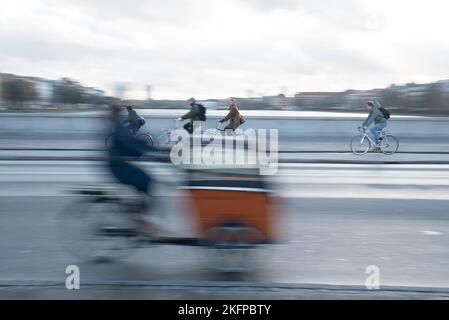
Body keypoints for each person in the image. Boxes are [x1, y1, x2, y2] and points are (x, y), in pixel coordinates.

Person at [107, 105, 168, 237]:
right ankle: (139, 219)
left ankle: (136, 212)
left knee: (144, 181)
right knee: (148, 182)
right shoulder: (120, 130)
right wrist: (156, 154)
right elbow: (134, 147)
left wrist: (156, 152)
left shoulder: (118, 127)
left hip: (119, 165)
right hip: (119, 167)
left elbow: (135, 143)